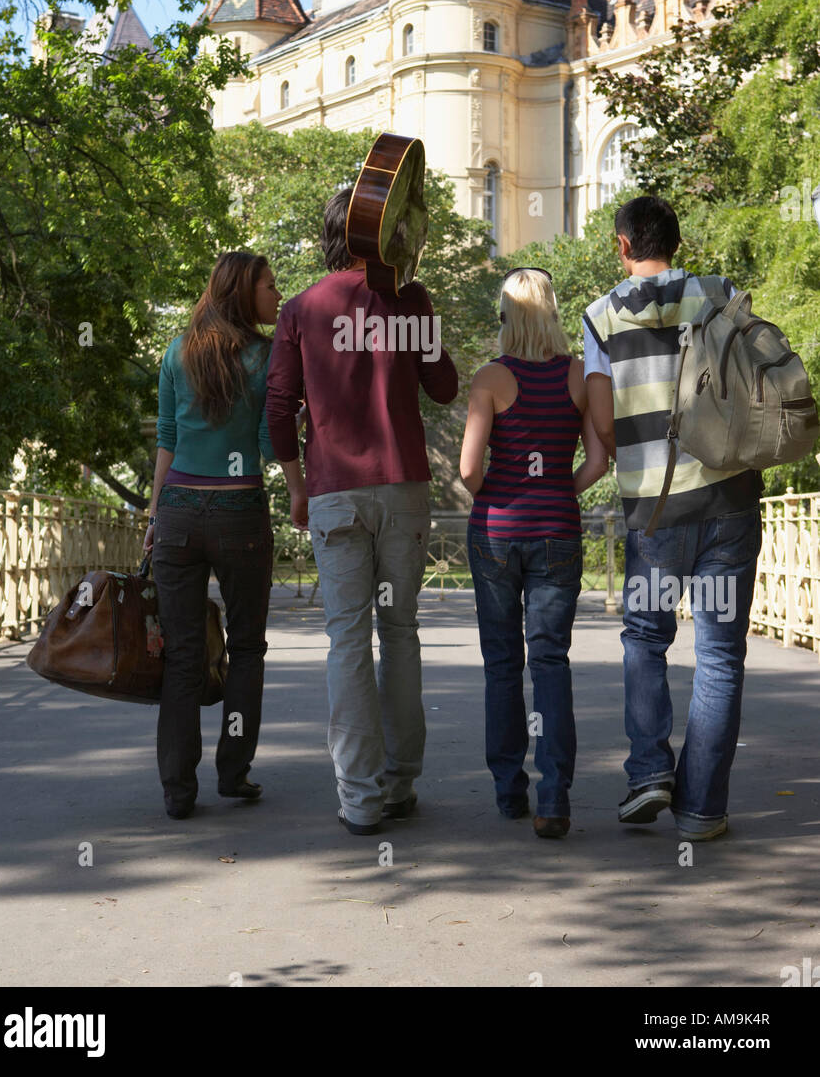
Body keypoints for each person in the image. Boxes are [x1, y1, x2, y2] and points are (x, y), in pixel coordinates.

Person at [266, 187, 458, 835]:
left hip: (333, 492)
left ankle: (360, 799)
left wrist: (296, 484)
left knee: (348, 639)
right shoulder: (410, 300)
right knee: (399, 632)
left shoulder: (299, 309)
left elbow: (275, 409)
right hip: (403, 487)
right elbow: (444, 386)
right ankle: (402, 782)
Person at [583, 196, 763, 842]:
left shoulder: (601, 316)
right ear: (676, 242)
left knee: (646, 641)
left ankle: (649, 775)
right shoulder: (719, 295)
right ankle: (701, 812)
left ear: (622, 245)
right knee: (719, 657)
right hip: (730, 499)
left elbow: (601, 420)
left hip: (655, 512)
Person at [144, 251, 303, 819]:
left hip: (180, 516)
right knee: (246, 648)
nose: (278, 293)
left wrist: (156, 514)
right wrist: (299, 485)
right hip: (239, 516)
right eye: (269, 285)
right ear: (242, 293)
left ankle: (177, 790)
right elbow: (266, 441)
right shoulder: (265, 358)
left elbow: (167, 439)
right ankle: (233, 773)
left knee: (183, 657)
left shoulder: (175, 353)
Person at [460, 267, 609, 840]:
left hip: (496, 533)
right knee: (550, 661)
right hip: (558, 535)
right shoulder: (579, 376)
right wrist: (554, 493)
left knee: (502, 664)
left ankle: (508, 791)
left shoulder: (490, 378)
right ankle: (554, 795)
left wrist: (499, 495)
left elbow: (470, 470)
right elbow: (597, 462)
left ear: (507, 317)